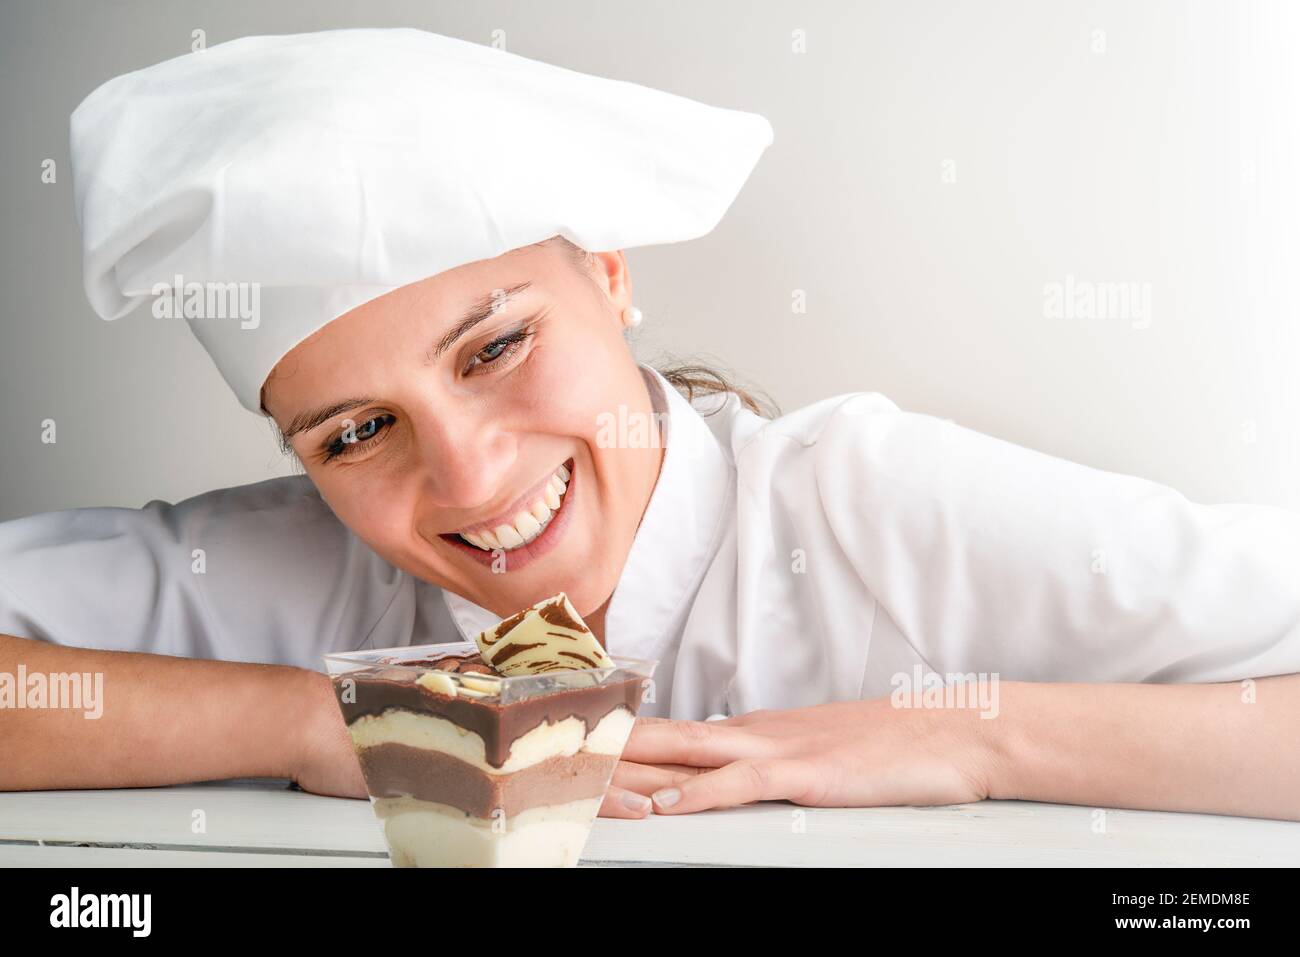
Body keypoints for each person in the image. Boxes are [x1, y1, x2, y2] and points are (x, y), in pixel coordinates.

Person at [2, 28, 1298, 823]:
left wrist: (968, 735)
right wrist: (315, 724)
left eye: (496, 346)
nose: (466, 471)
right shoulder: (281, 575)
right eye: (354, 433)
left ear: (610, 276)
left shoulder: (870, 506)